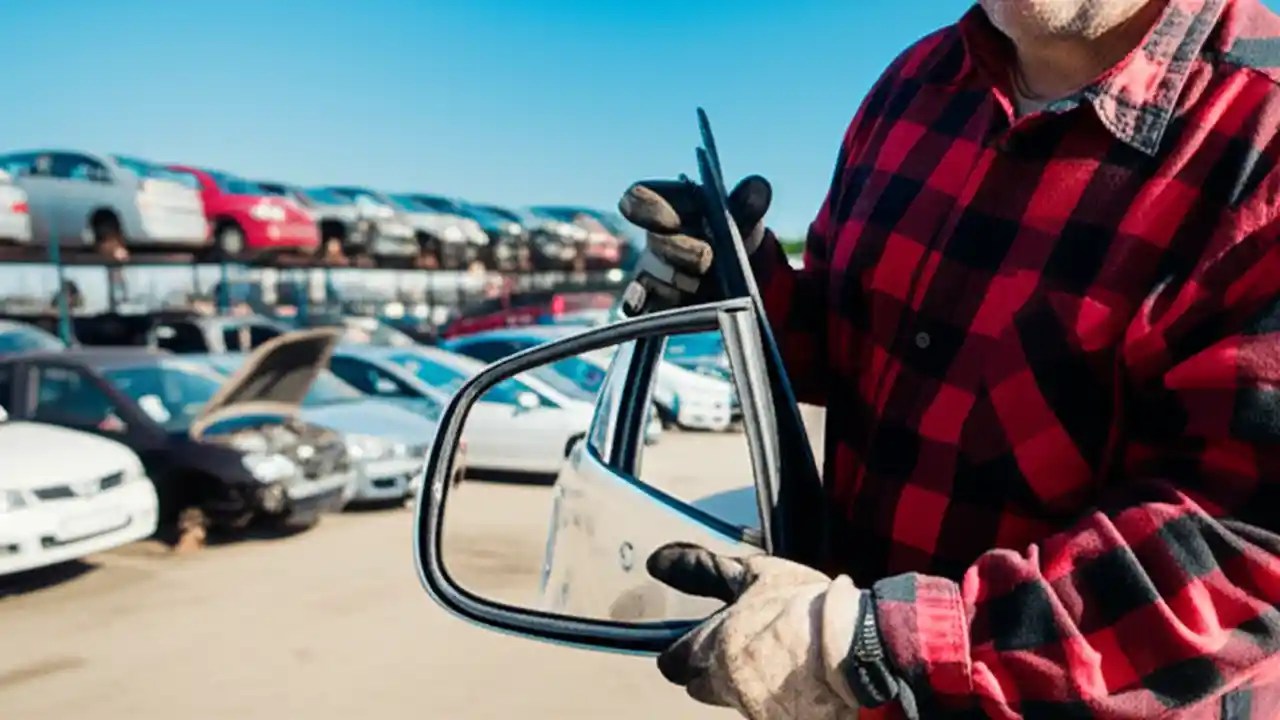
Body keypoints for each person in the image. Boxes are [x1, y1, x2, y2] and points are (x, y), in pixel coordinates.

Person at [619, 0, 1280, 718]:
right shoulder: (912, 88)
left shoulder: (1262, 131)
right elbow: (854, 350)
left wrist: (870, 639)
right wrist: (748, 284)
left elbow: (1248, 548)